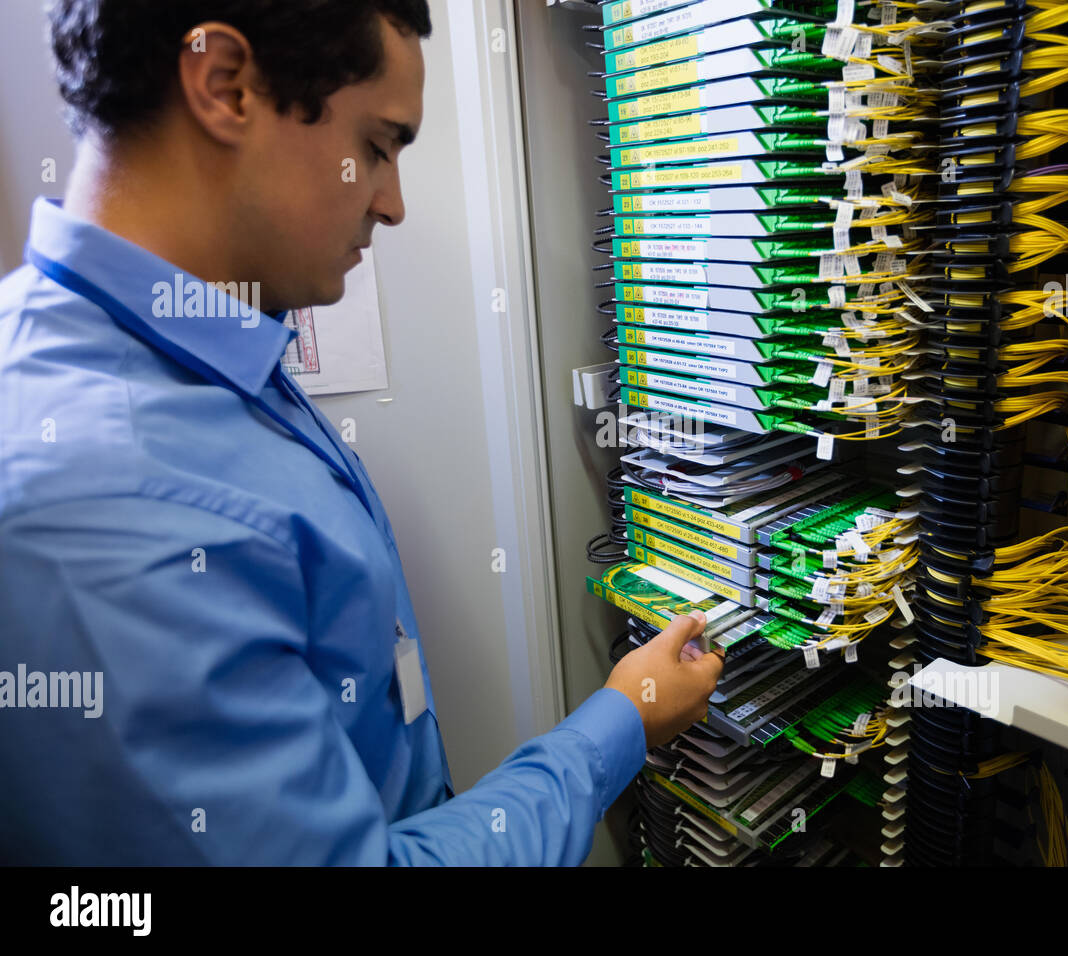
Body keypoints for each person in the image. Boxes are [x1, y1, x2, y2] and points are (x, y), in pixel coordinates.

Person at [0, 0, 722, 865]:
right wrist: (623, 723)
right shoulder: (106, 503)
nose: (393, 203)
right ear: (225, 85)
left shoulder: (209, 339)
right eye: (377, 147)